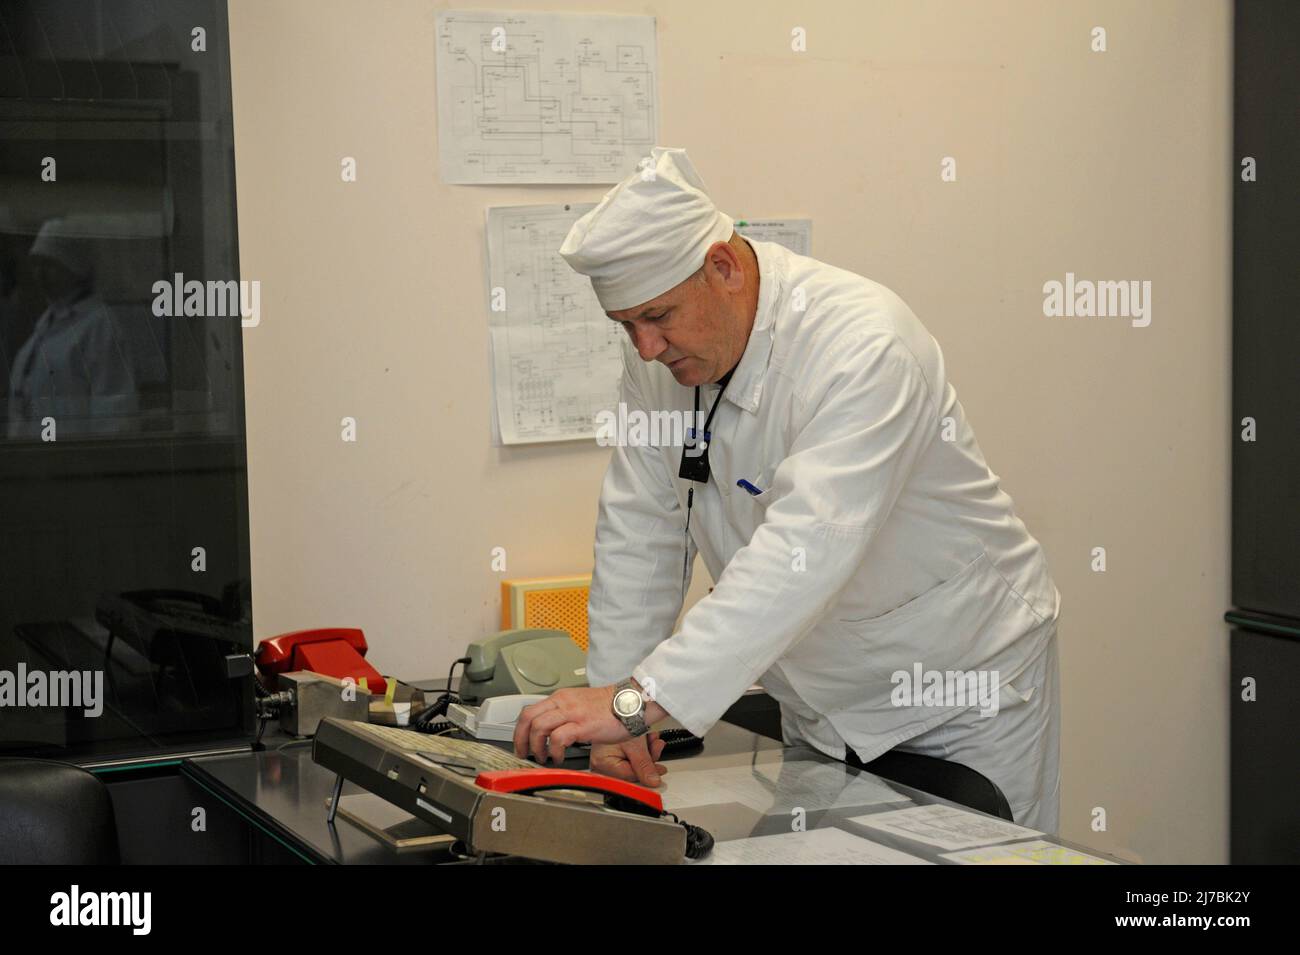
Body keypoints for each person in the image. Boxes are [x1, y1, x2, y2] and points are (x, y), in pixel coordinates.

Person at [512, 147, 1061, 832]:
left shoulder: (864, 346)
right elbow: (641, 528)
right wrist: (617, 709)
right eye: (626, 326)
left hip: (954, 691)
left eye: (658, 316)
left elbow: (807, 548)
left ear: (724, 267)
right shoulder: (660, 360)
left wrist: (639, 700)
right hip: (819, 696)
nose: (646, 347)